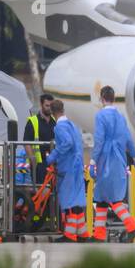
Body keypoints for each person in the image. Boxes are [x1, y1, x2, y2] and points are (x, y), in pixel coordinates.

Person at [91, 85, 135, 242]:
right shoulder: (121, 117)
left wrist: (93, 161)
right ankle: (99, 235)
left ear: (102, 98)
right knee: (102, 199)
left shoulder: (100, 116)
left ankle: (132, 227)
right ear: (113, 98)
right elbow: (129, 140)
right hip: (119, 160)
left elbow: (99, 141)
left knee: (111, 198)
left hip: (106, 160)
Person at [46, 99, 87, 241]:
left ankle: (69, 235)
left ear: (52, 112)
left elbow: (67, 143)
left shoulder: (60, 127)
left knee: (68, 201)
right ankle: (82, 233)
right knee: (76, 201)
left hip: (68, 167)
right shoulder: (73, 126)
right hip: (77, 166)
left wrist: (52, 157)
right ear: (63, 110)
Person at [24, 93, 56, 184]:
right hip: (39, 164)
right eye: (47, 105)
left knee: (52, 192)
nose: (49, 108)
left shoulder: (55, 121)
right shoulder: (33, 121)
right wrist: (32, 160)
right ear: (41, 105)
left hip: (53, 163)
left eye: (51, 106)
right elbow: (27, 143)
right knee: (40, 192)